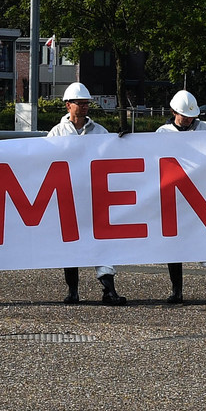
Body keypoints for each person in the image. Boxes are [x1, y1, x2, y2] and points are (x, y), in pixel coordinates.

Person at [47, 82, 127, 306]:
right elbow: (44, 160)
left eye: (86, 103)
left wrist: (123, 142)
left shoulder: (100, 131)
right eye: (80, 103)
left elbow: (113, 154)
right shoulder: (56, 133)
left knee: (102, 241)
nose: (84, 107)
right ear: (68, 105)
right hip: (68, 197)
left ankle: (109, 290)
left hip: (94, 197)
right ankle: (73, 292)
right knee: (70, 245)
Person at [157, 90, 206, 305]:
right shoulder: (162, 133)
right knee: (174, 246)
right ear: (174, 112)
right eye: (185, 116)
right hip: (175, 196)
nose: (189, 119)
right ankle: (176, 292)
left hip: (202, 194)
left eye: (191, 116)